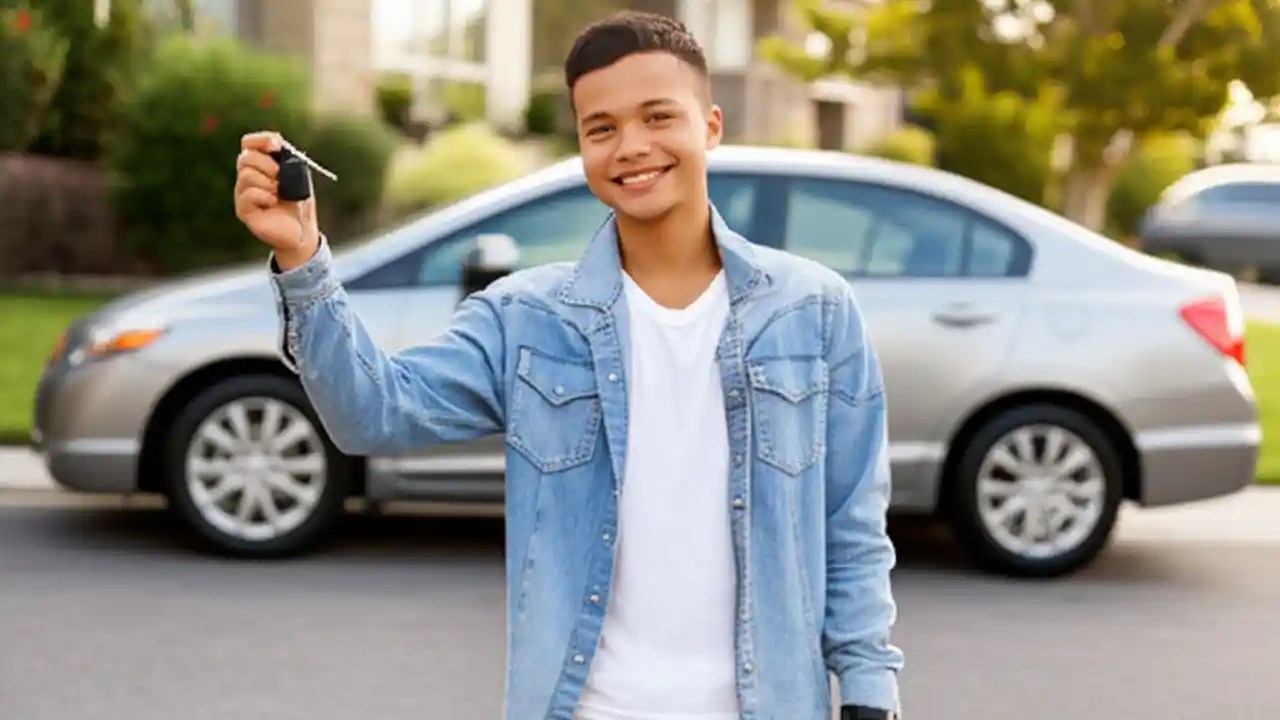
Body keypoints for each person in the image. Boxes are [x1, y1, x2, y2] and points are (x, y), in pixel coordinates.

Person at [233, 11, 903, 720]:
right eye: (602, 128)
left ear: (709, 125)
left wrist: (869, 689)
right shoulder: (525, 318)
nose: (632, 147)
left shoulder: (815, 310)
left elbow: (852, 522)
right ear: (582, 146)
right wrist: (303, 260)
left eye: (656, 116)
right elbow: (373, 414)